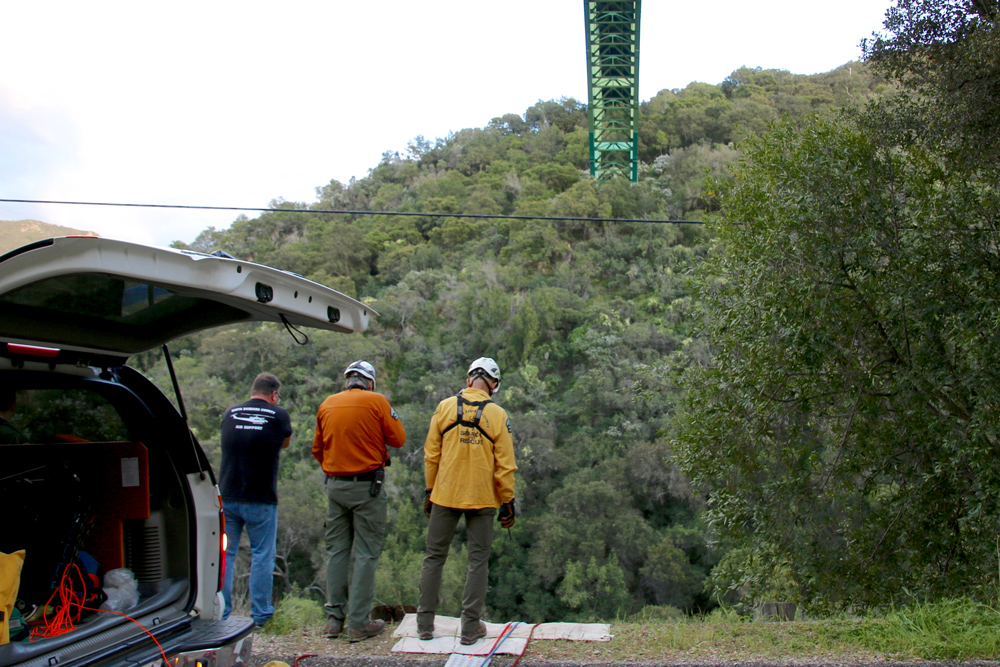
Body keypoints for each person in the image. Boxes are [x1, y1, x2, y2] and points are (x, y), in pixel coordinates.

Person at [417, 357, 517, 646]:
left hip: (445, 493)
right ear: (493, 385)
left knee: (434, 557)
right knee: (478, 562)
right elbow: (505, 465)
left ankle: (425, 623)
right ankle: (471, 627)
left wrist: (429, 490)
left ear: (469, 379)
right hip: (482, 496)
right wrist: (507, 501)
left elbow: (431, 454)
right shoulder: (497, 414)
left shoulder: (445, 407)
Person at [312, 360, 406, 642]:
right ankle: (358, 623)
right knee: (366, 554)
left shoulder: (327, 404)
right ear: (370, 382)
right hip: (367, 488)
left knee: (338, 552)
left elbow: (318, 449)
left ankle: (333, 620)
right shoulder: (377, 402)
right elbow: (398, 439)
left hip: (335, 487)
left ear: (347, 381)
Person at [219, 373, 292, 627]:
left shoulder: (230, 414)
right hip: (260, 498)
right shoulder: (279, 415)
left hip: (227, 495)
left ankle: (222, 612)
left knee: (225, 555)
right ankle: (260, 615)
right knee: (262, 555)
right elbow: (284, 443)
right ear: (273, 395)